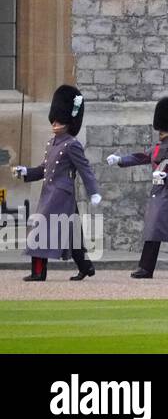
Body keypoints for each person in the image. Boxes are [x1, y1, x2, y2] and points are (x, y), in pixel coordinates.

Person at [106, 97, 168, 279]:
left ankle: (146, 268)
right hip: (159, 194)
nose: (160, 132)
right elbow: (141, 157)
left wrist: (166, 177)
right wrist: (120, 160)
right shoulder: (159, 148)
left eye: (164, 129)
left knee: (155, 229)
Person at [12, 85, 101, 281]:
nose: (55, 123)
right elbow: (44, 169)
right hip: (50, 192)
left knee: (39, 229)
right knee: (72, 231)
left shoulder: (72, 144)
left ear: (69, 122)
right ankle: (85, 266)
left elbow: (85, 169)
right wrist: (25, 171)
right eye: (54, 119)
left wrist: (93, 191)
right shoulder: (51, 143)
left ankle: (38, 272)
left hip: (61, 195)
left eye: (59, 120)